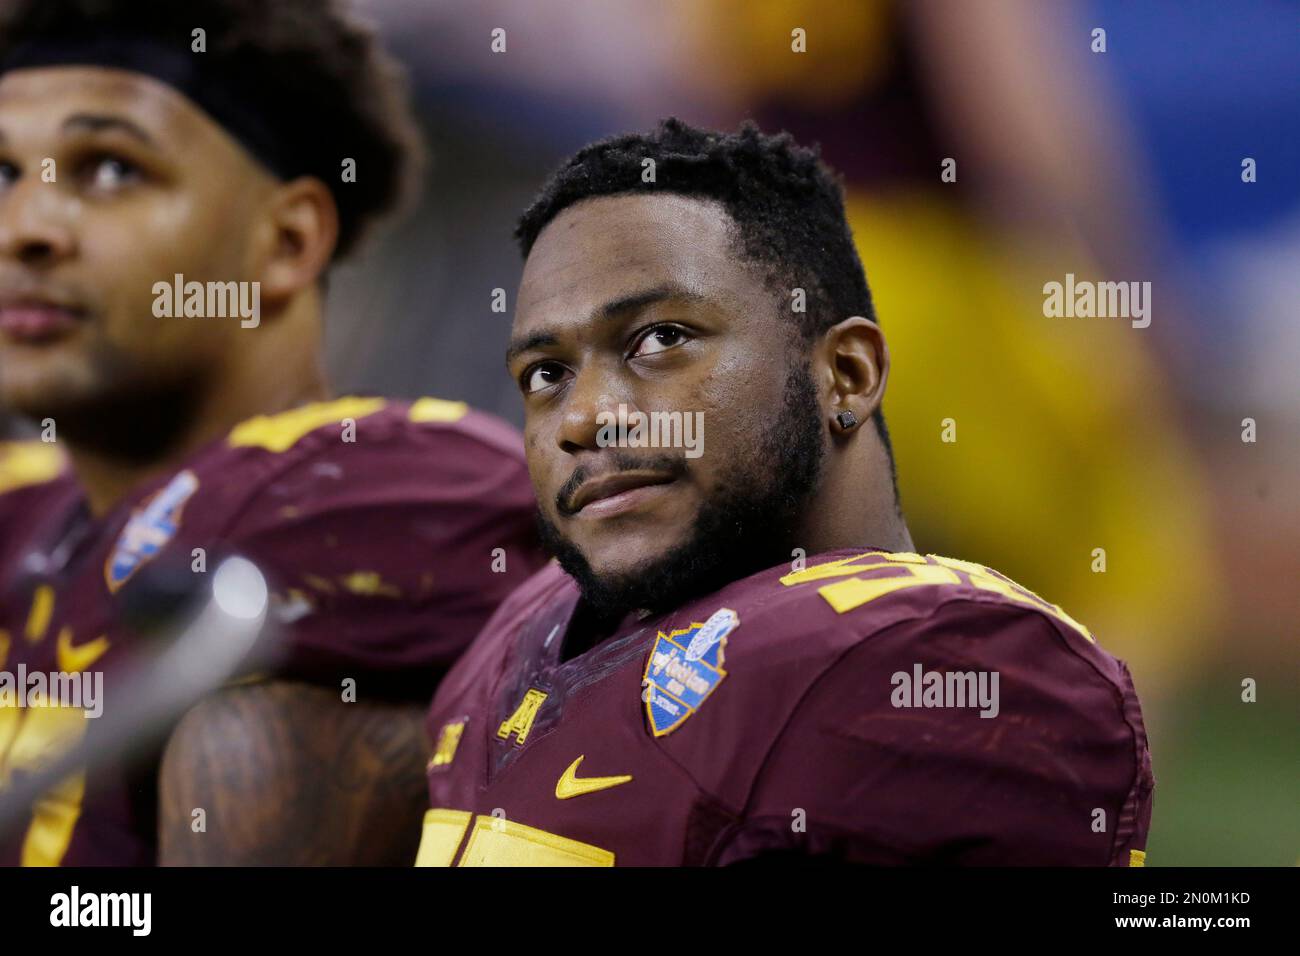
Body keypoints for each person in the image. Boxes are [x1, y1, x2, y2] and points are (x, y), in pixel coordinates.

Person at [415, 119, 1153, 866]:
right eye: (547, 373)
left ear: (848, 374)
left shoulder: (932, 673)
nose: (582, 419)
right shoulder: (524, 630)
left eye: (661, 339)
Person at [0, 0, 544, 865]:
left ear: (287, 241)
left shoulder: (370, 475)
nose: (23, 227)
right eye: (3, 175)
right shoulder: (21, 504)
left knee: (253, 745)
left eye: (108, 168)